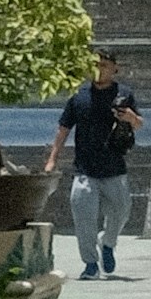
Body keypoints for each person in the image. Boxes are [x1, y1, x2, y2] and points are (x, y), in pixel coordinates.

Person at [58, 57, 141, 278]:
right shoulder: (79, 95)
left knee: (122, 210)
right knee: (83, 218)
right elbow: (64, 127)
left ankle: (108, 242)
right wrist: (52, 158)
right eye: (94, 65)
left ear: (115, 68)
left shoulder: (124, 94)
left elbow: (139, 124)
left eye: (103, 65)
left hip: (114, 167)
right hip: (84, 169)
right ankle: (90, 264)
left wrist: (131, 117)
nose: (99, 69)